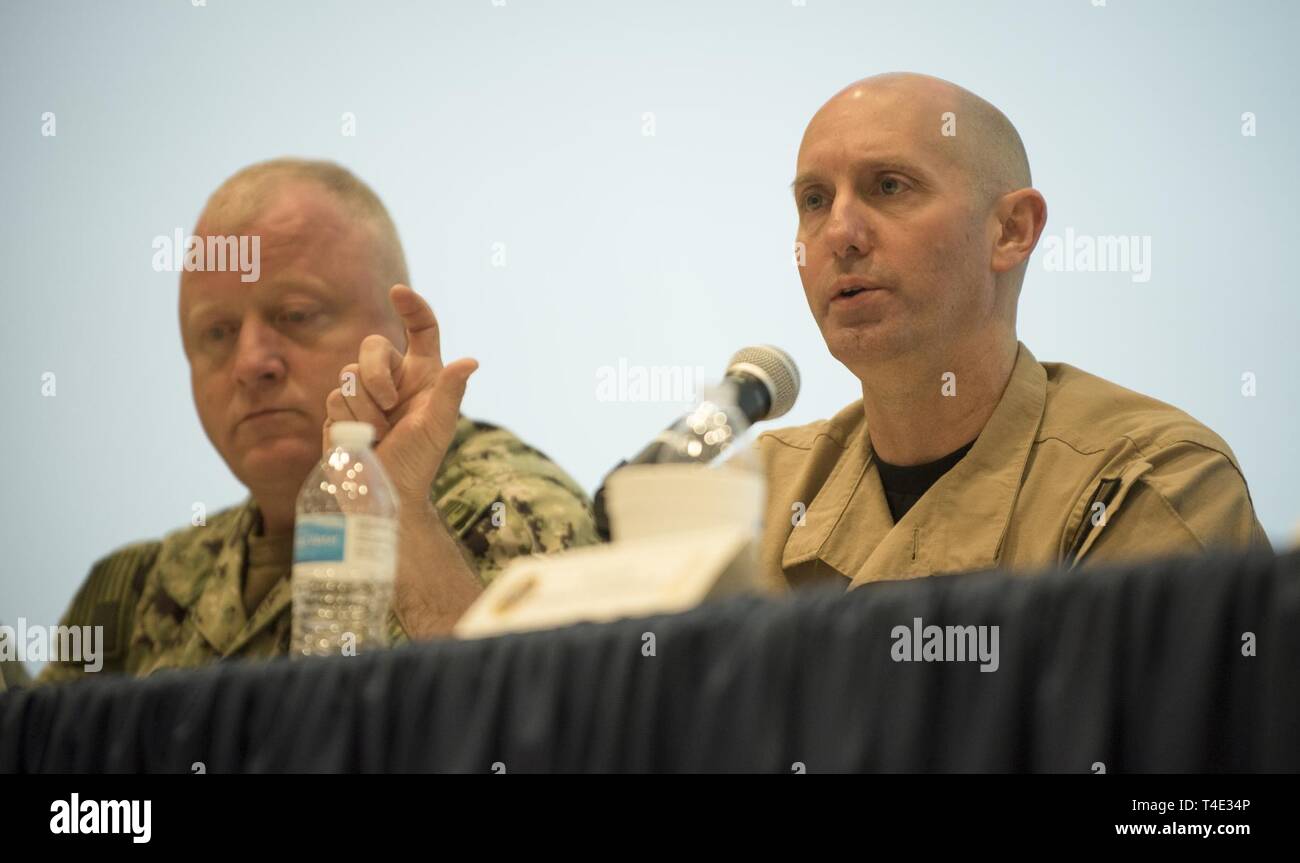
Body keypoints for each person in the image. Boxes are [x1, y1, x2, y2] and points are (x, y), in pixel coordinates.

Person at [37, 159, 597, 683]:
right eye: (217, 333)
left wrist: (401, 518)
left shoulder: (505, 510)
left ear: (400, 333)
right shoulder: (130, 593)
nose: (251, 363)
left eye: (296, 315)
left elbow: (543, 736)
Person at [760, 73, 1269, 590]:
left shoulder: (1146, 482)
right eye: (815, 200)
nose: (840, 234)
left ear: (1011, 230)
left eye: (889, 186)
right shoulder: (757, 495)